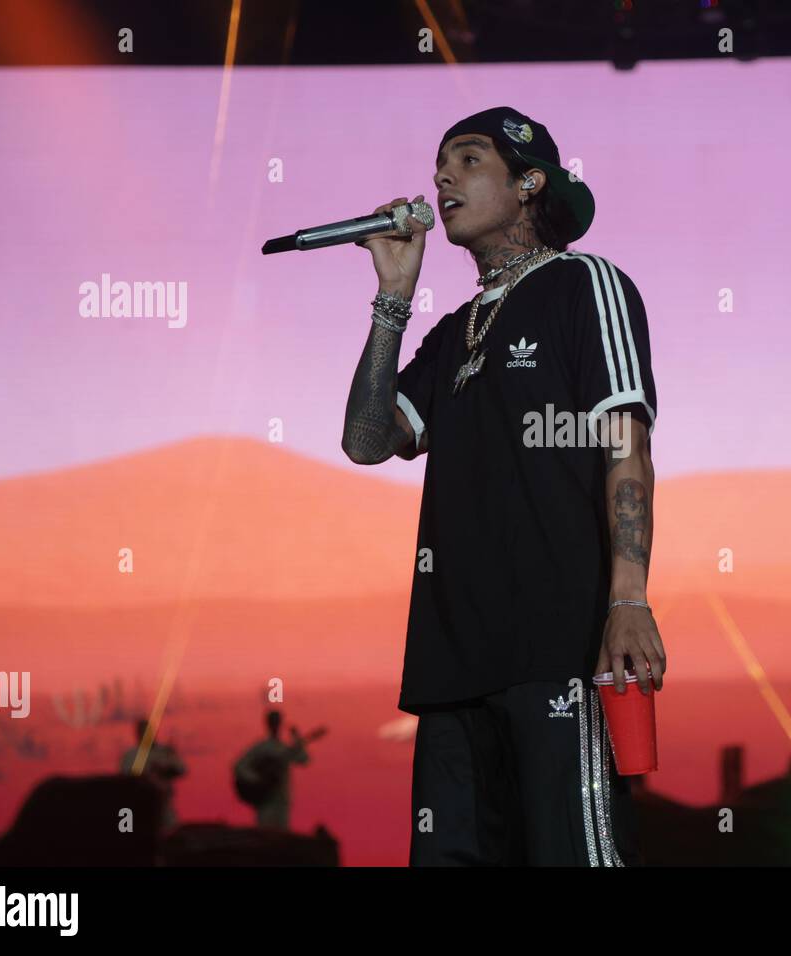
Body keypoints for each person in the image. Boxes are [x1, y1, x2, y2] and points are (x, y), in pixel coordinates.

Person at [342, 107, 664, 866]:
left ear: (528, 183)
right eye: (438, 165)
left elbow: (626, 443)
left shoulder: (587, 284)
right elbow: (365, 440)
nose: (442, 177)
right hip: (451, 664)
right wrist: (393, 297)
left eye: (468, 159)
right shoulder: (452, 331)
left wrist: (627, 599)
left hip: (560, 647)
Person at [234, 710, 314, 829]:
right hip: (265, 800)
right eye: (273, 722)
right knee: (265, 833)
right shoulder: (261, 747)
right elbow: (239, 766)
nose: (275, 725)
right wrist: (257, 779)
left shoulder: (283, 747)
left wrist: (297, 739)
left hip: (282, 801)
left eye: (277, 722)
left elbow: (304, 760)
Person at [119, 718, 187, 829]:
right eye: (142, 731)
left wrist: (164, 768)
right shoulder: (130, 756)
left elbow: (182, 769)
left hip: (164, 804)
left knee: (170, 834)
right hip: (141, 806)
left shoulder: (164, 751)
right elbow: (125, 779)